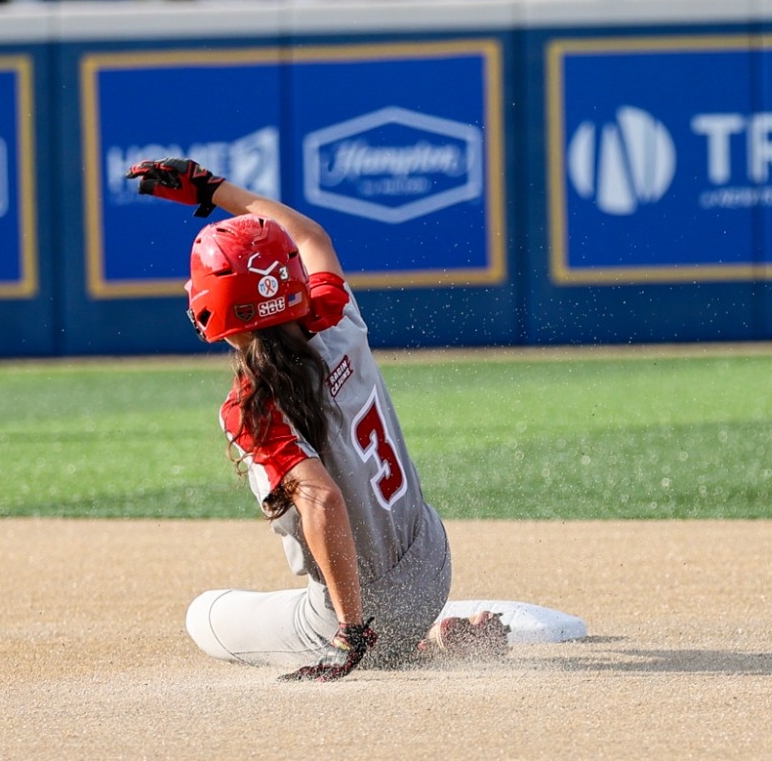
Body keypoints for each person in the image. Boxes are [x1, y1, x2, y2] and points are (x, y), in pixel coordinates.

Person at [126, 157, 509, 680]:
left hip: (365, 612)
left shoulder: (251, 404)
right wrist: (213, 190)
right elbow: (308, 234)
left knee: (205, 615)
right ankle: (416, 639)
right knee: (344, 567)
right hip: (433, 563)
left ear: (211, 307)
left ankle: (387, 644)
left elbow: (322, 498)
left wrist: (351, 632)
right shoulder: (333, 310)